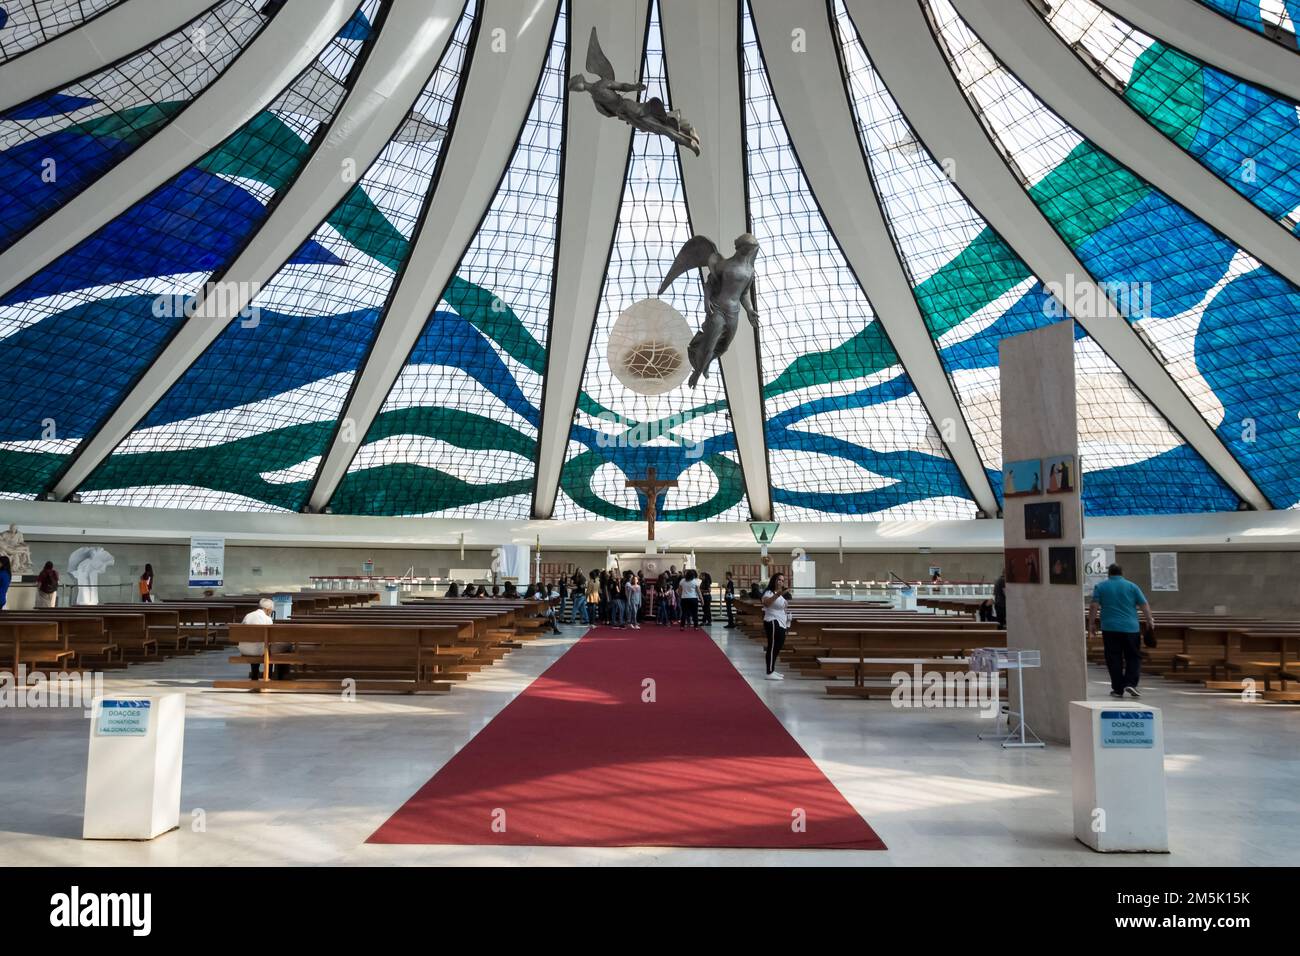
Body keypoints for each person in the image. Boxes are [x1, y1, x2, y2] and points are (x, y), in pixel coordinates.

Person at [1088, 563, 1154, 699]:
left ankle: (1118, 689)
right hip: (1131, 628)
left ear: (1109, 574)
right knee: (1133, 656)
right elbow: (1143, 604)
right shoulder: (1132, 586)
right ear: (1122, 573)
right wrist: (1149, 620)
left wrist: (1091, 624)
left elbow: (1094, 605)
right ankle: (1130, 683)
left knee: (1113, 658)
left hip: (1110, 628)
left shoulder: (1101, 586)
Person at [238, 598, 289, 681]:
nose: (271, 612)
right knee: (284, 647)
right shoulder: (267, 619)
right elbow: (271, 639)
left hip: (244, 649)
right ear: (268, 609)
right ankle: (273, 676)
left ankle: (255, 675)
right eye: (271, 610)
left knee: (256, 644)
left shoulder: (248, 615)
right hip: (260, 651)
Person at [761, 571, 792, 680]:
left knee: (778, 646)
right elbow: (766, 603)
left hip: (781, 622)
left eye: (783, 580)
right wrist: (778, 594)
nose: (781, 582)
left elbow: (783, 607)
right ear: (774, 580)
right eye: (779, 580)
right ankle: (769, 672)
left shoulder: (781, 595)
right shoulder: (769, 592)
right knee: (772, 646)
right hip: (772, 621)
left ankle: (772, 670)